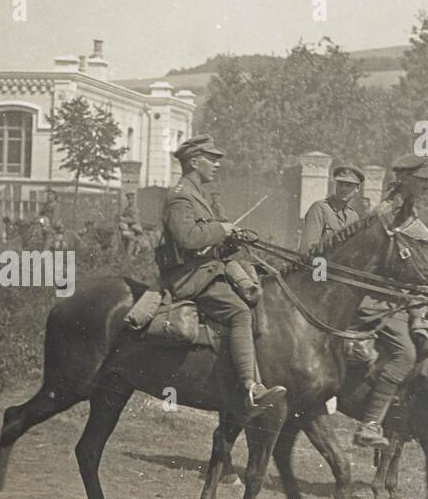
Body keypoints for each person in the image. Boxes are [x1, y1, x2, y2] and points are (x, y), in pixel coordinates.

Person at [156, 135, 286, 415]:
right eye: (212, 159)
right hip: (187, 276)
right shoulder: (180, 196)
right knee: (240, 312)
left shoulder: (197, 194)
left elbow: (205, 242)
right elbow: (187, 238)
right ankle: (250, 387)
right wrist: (221, 229)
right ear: (194, 162)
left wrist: (230, 239)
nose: (217, 164)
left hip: (204, 270)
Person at [352, 153, 428, 449]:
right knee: (405, 353)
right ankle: (370, 423)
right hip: (376, 298)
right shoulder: (384, 215)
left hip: (401, 297)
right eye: (422, 180)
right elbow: (367, 260)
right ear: (405, 179)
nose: (427, 186)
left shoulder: (406, 211)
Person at [301, 165, 364, 254]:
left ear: (357, 189)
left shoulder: (353, 216)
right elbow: (308, 249)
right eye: (340, 184)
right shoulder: (320, 209)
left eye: (348, 185)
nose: (343, 189)